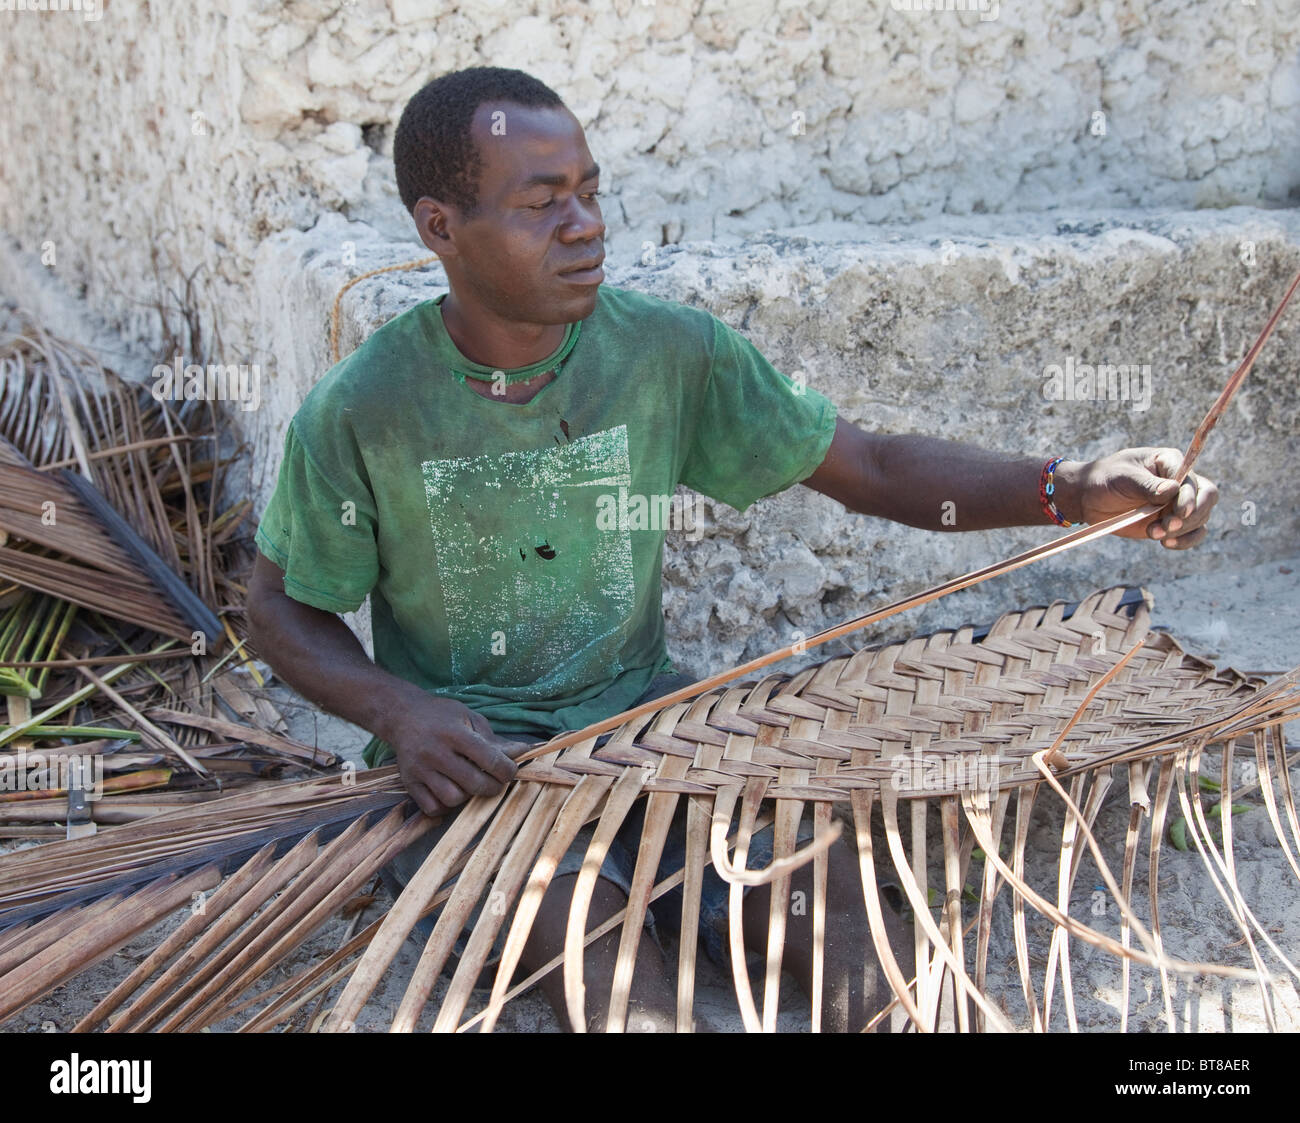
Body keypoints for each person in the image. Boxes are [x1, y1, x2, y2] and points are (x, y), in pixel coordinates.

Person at [246, 67, 1219, 1032]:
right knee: (609, 978)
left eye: (588, 191)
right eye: (542, 204)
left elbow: (872, 466)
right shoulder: (364, 408)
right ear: (439, 227)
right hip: (483, 779)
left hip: (653, 738)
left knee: (839, 922)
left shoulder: (667, 352)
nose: (584, 224)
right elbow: (281, 603)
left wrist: (1074, 488)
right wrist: (401, 712)